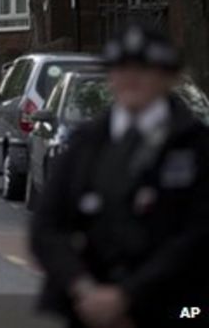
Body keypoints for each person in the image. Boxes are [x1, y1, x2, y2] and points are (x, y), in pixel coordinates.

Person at [30, 23, 209, 328]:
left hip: (176, 309)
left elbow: (198, 235)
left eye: (145, 68)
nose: (131, 78)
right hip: (89, 310)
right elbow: (47, 226)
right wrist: (84, 289)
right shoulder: (87, 142)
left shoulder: (196, 145)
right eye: (121, 68)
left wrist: (127, 297)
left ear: (169, 76)